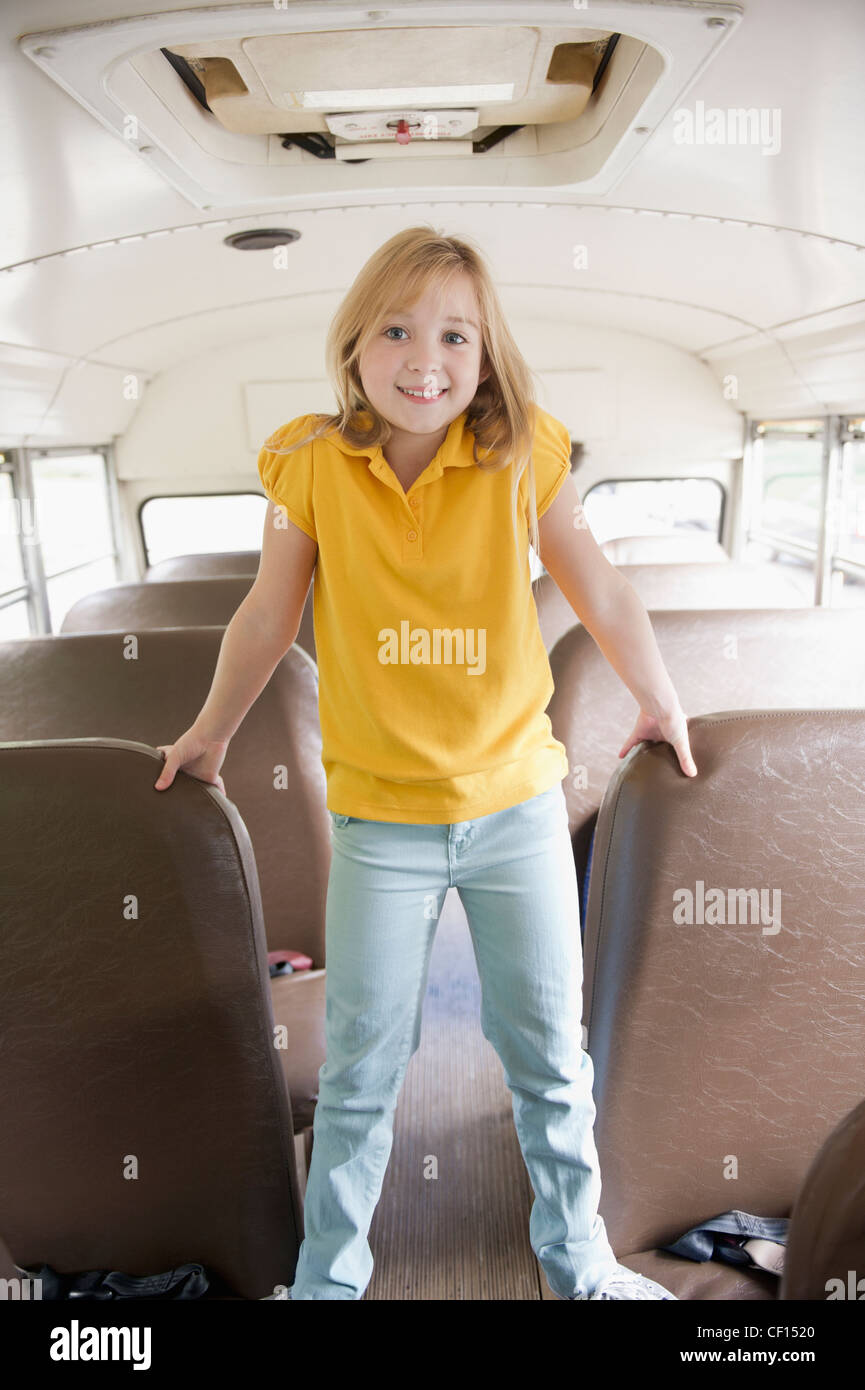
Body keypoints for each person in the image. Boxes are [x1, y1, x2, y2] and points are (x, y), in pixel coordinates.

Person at [154, 225, 697, 1301]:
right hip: (377, 820)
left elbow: (597, 582)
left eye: (456, 335)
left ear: (485, 357)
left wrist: (659, 699)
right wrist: (209, 730)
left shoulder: (521, 454)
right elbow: (269, 612)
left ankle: (577, 1264)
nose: (425, 358)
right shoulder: (307, 463)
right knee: (360, 1070)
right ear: (355, 344)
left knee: (548, 1051)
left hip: (514, 807)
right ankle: (328, 1280)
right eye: (397, 329)